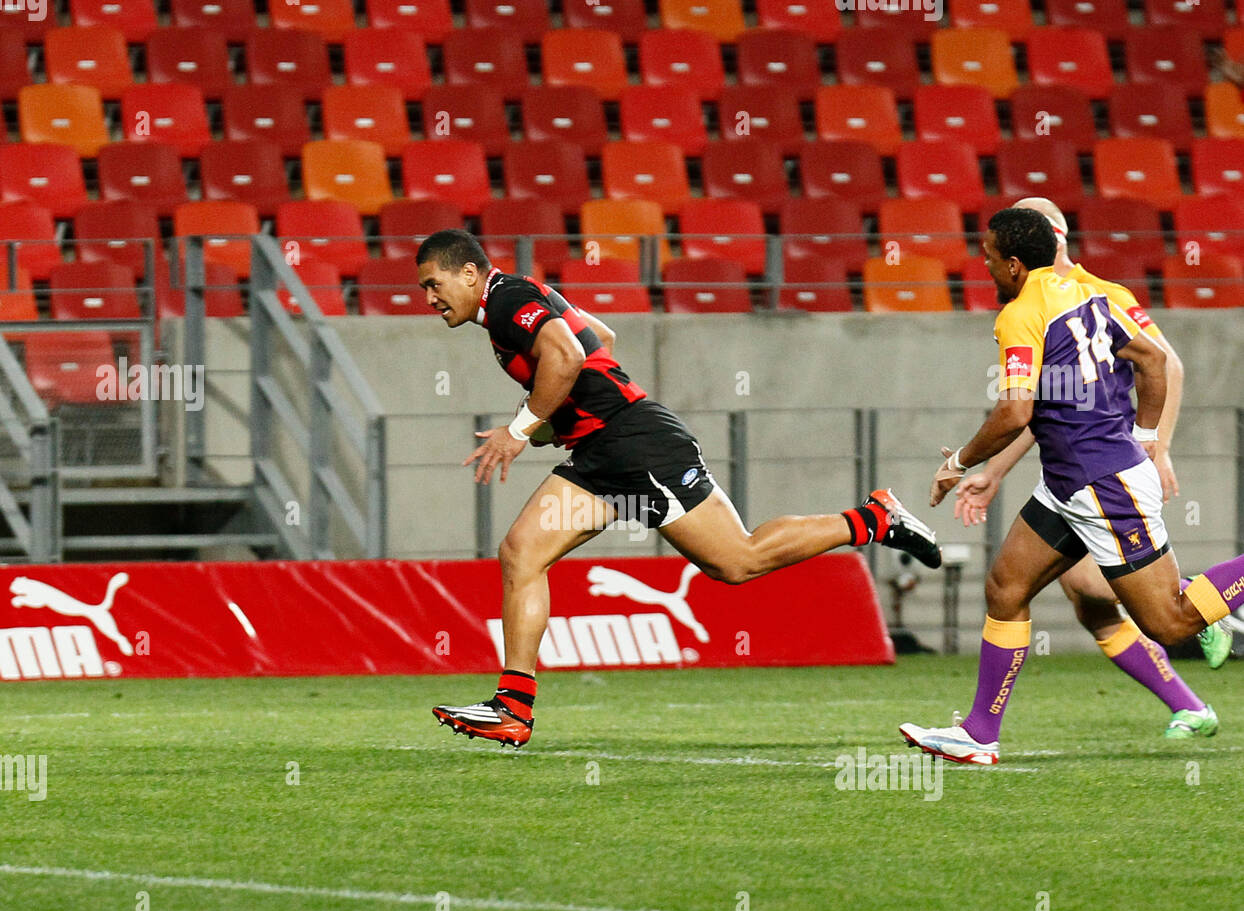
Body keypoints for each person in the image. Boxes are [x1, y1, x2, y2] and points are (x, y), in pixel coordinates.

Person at [415, 229, 941, 747]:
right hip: (600, 454)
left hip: (635, 445)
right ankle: (512, 708)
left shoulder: (506, 299)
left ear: (468, 272)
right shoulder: (512, 301)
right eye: (424, 289)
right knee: (521, 552)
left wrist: (521, 429)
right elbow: (600, 339)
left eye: (434, 284)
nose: (430, 298)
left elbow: (569, 358)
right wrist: (556, 420)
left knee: (737, 560)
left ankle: (875, 519)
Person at [900, 208, 1244, 765]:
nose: (982, 264)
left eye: (987, 256)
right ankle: (980, 735)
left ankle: (1212, 626)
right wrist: (1144, 436)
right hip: (1069, 483)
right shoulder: (1090, 294)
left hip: (1102, 484)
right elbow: (1154, 360)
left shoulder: (1020, 314)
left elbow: (1015, 412)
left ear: (1013, 264)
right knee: (1006, 589)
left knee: (1170, 620)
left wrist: (961, 461)